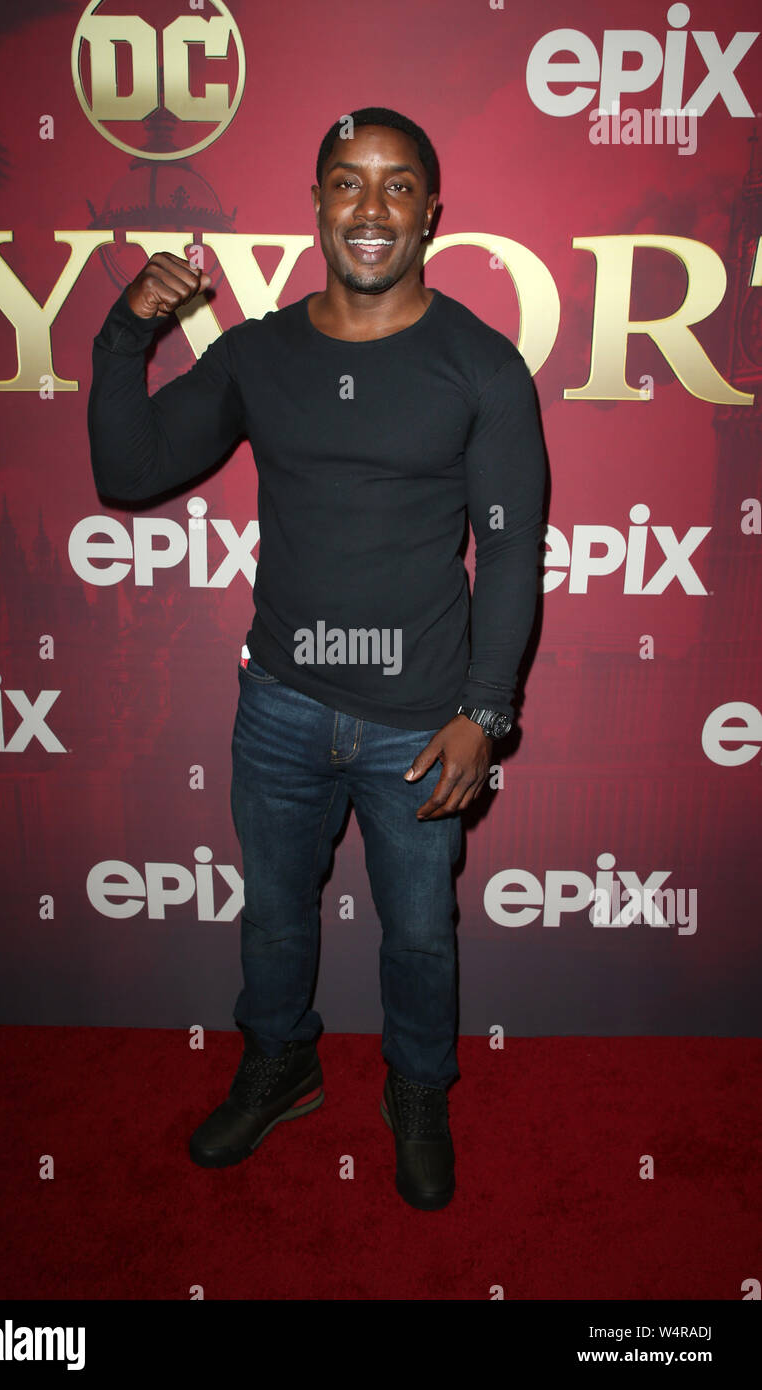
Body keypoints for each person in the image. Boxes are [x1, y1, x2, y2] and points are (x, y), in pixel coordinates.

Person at [87, 106, 547, 1211]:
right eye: (348, 182)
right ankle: (281, 1063)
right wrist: (122, 337)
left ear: (432, 211)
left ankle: (419, 1087)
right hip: (281, 708)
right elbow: (132, 469)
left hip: (419, 720)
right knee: (276, 918)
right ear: (317, 203)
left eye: (397, 186)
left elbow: (511, 551)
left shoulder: (481, 365)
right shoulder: (259, 355)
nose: (372, 208)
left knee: (422, 937)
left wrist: (486, 714)